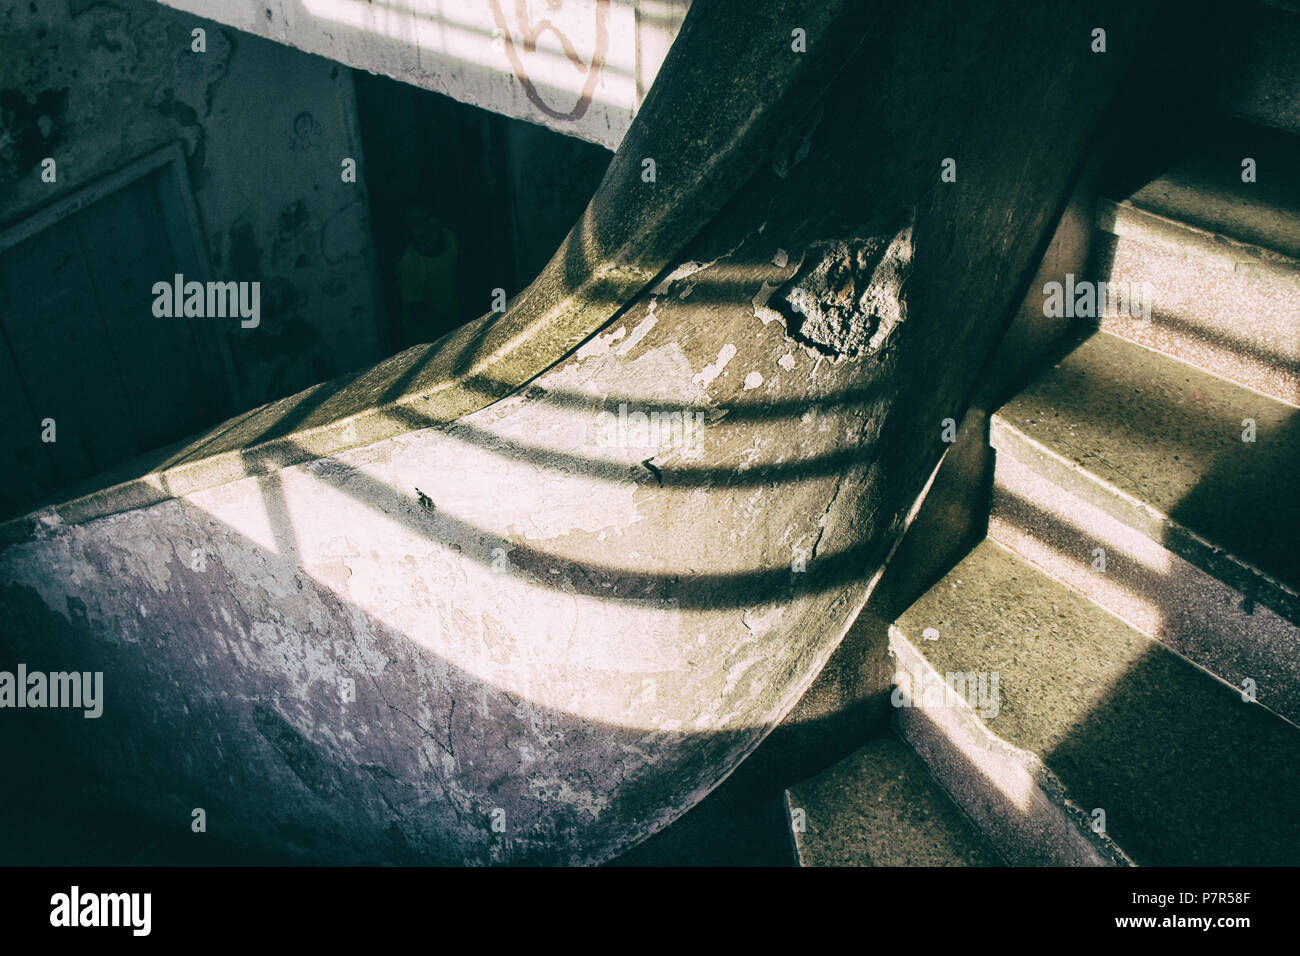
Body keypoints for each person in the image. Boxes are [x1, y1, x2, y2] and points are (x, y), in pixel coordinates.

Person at [395, 204, 461, 348]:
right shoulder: (410, 263)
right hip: (426, 340)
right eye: (416, 224)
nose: (425, 227)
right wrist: (450, 328)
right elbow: (416, 309)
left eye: (428, 218)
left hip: (455, 326)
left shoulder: (450, 239)